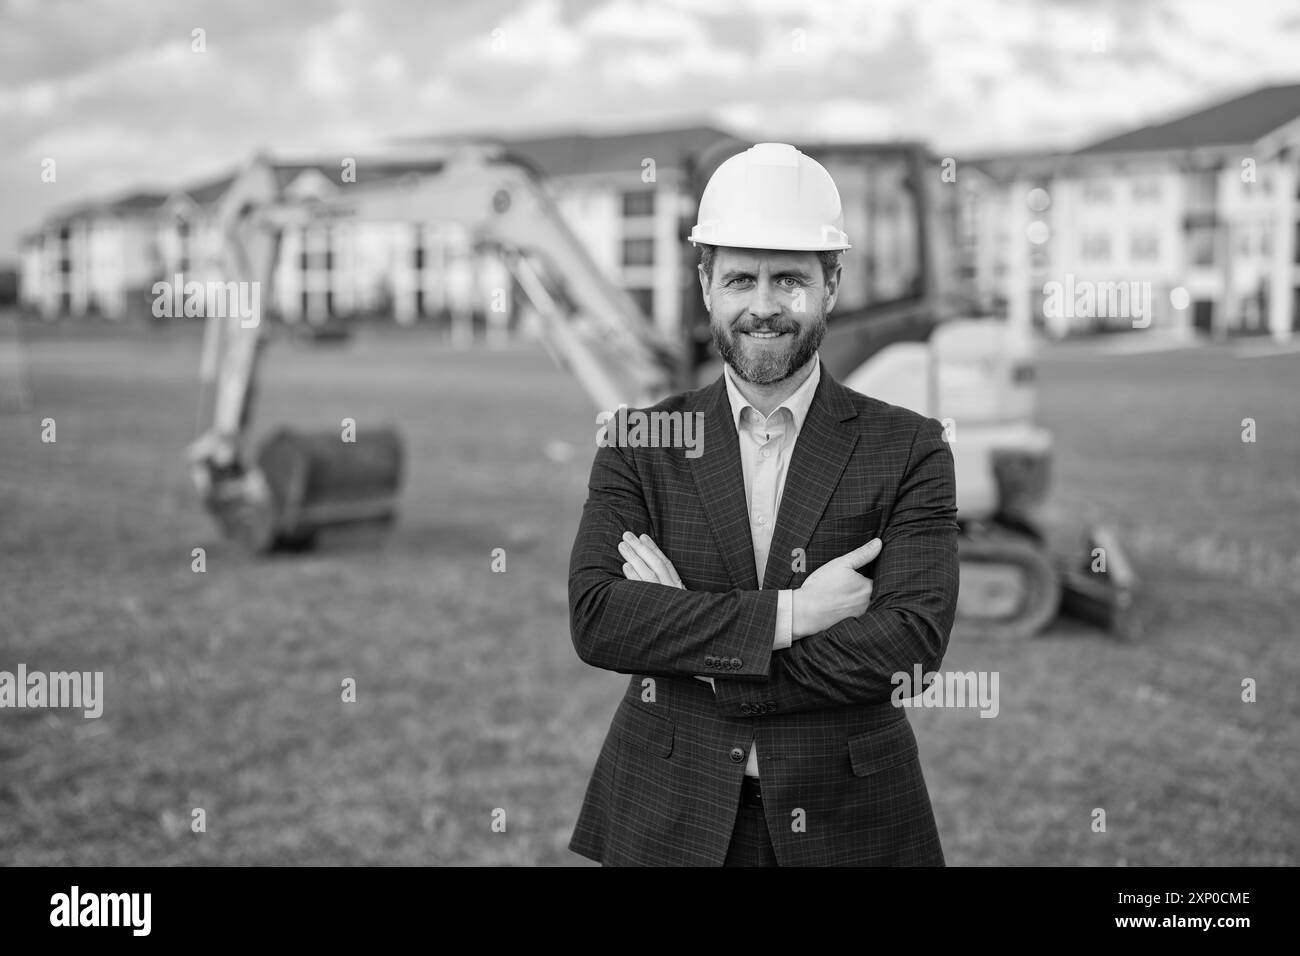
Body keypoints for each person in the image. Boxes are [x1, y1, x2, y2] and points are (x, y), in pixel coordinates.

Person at [567, 143, 959, 866]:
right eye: (742, 278)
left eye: (790, 280)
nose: (765, 306)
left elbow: (908, 647)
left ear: (832, 284)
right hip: (668, 810)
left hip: (850, 818)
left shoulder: (911, 448)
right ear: (707, 284)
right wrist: (795, 615)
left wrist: (701, 648)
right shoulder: (638, 439)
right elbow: (599, 620)